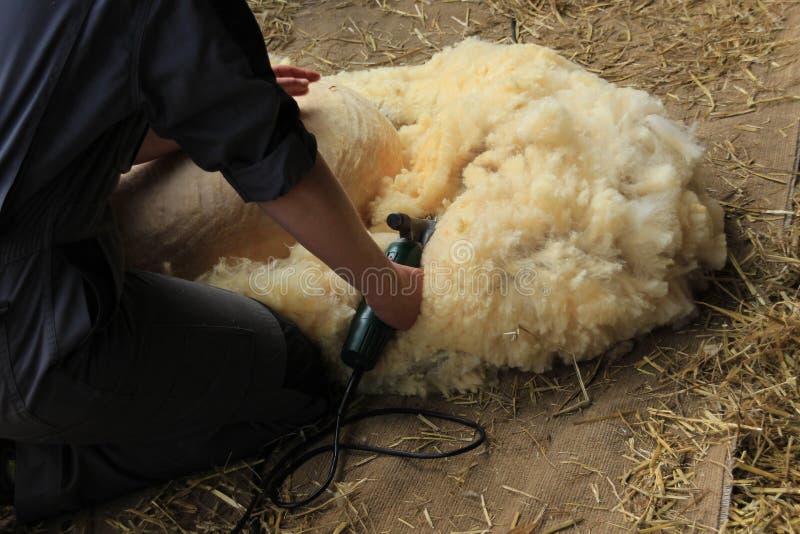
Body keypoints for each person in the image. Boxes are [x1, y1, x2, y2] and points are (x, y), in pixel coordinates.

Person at [0, 0, 423, 523]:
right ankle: (36, 465)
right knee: (291, 375)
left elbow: (56, 106)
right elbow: (273, 162)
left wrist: (201, 92)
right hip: (19, 340)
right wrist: (382, 283)